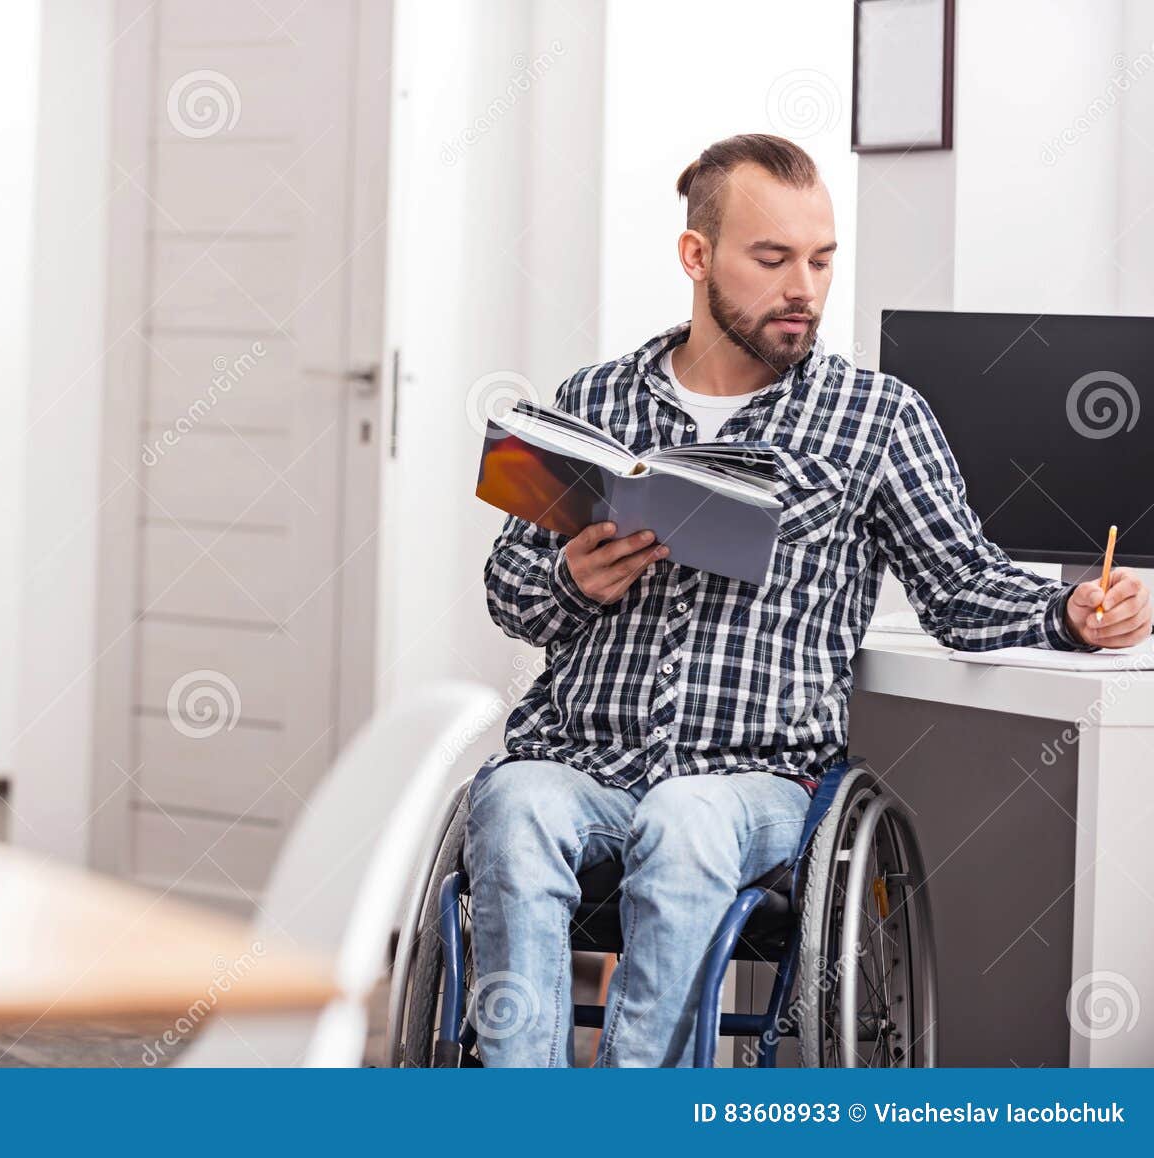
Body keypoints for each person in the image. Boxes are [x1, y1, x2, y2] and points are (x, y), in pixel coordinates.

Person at [468, 132, 1152, 1067]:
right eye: (774, 258)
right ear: (696, 256)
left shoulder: (877, 416)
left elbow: (959, 586)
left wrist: (1069, 614)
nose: (805, 287)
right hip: (581, 754)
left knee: (689, 817)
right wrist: (570, 579)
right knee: (509, 805)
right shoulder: (590, 402)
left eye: (823, 260)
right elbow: (511, 598)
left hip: (760, 780)